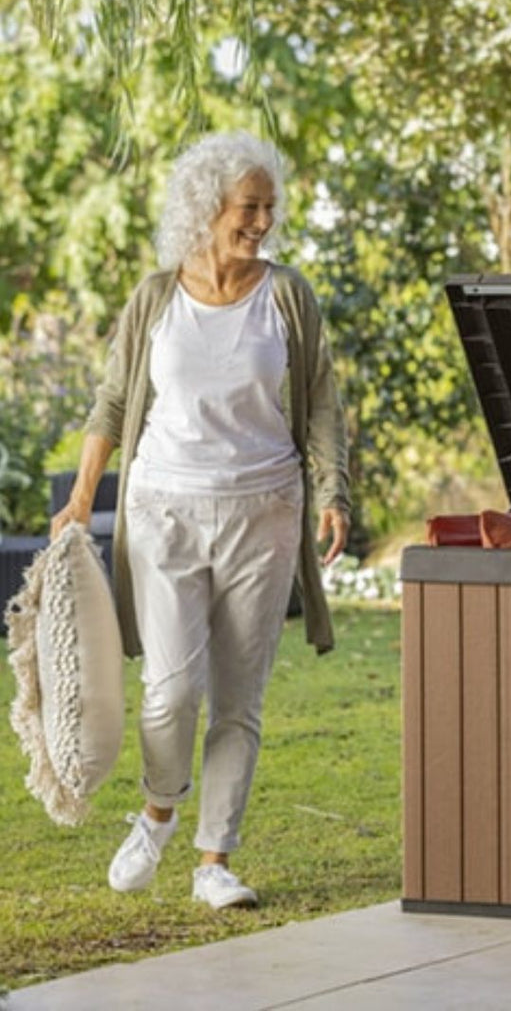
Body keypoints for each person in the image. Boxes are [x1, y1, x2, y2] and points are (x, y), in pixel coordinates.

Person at [50, 131, 350, 910]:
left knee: (238, 698)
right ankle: (156, 813)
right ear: (207, 207)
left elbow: (319, 400)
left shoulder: (288, 295)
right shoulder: (156, 296)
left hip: (265, 511)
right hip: (164, 510)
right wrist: (82, 497)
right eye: (249, 208)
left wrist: (336, 491)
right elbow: (113, 400)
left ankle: (214, 860)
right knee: (171, 689)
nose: (261, 222)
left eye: (269, 208)